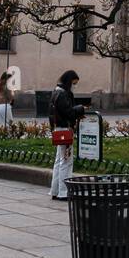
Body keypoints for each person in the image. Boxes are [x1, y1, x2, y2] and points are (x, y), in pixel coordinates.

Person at [49, 70, 88, 200]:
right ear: (69, 81)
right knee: (66, 161)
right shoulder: (62, 94)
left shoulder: (56, 92)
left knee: (58, 161)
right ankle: (63, 192)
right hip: (65, 130)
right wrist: (81, 108)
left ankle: (55, 191)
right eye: (74, 83)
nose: (74, 86)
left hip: (58, 129)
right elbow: (69, 112)